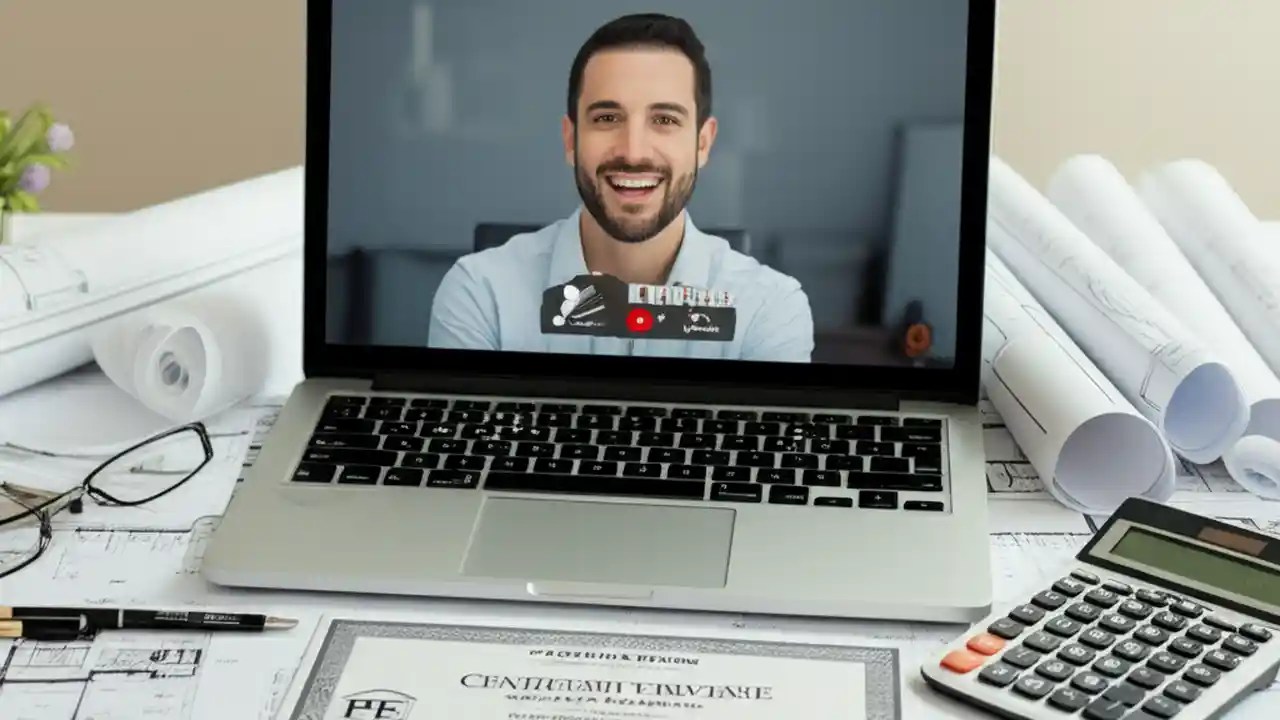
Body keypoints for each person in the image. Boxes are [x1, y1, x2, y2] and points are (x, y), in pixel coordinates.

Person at [428, 13, 813, 362]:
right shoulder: (482, 294)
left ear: (702, 144)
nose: (633, 152)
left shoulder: (769, 308)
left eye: (664, 119)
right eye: (607, 117)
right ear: (570, 140)